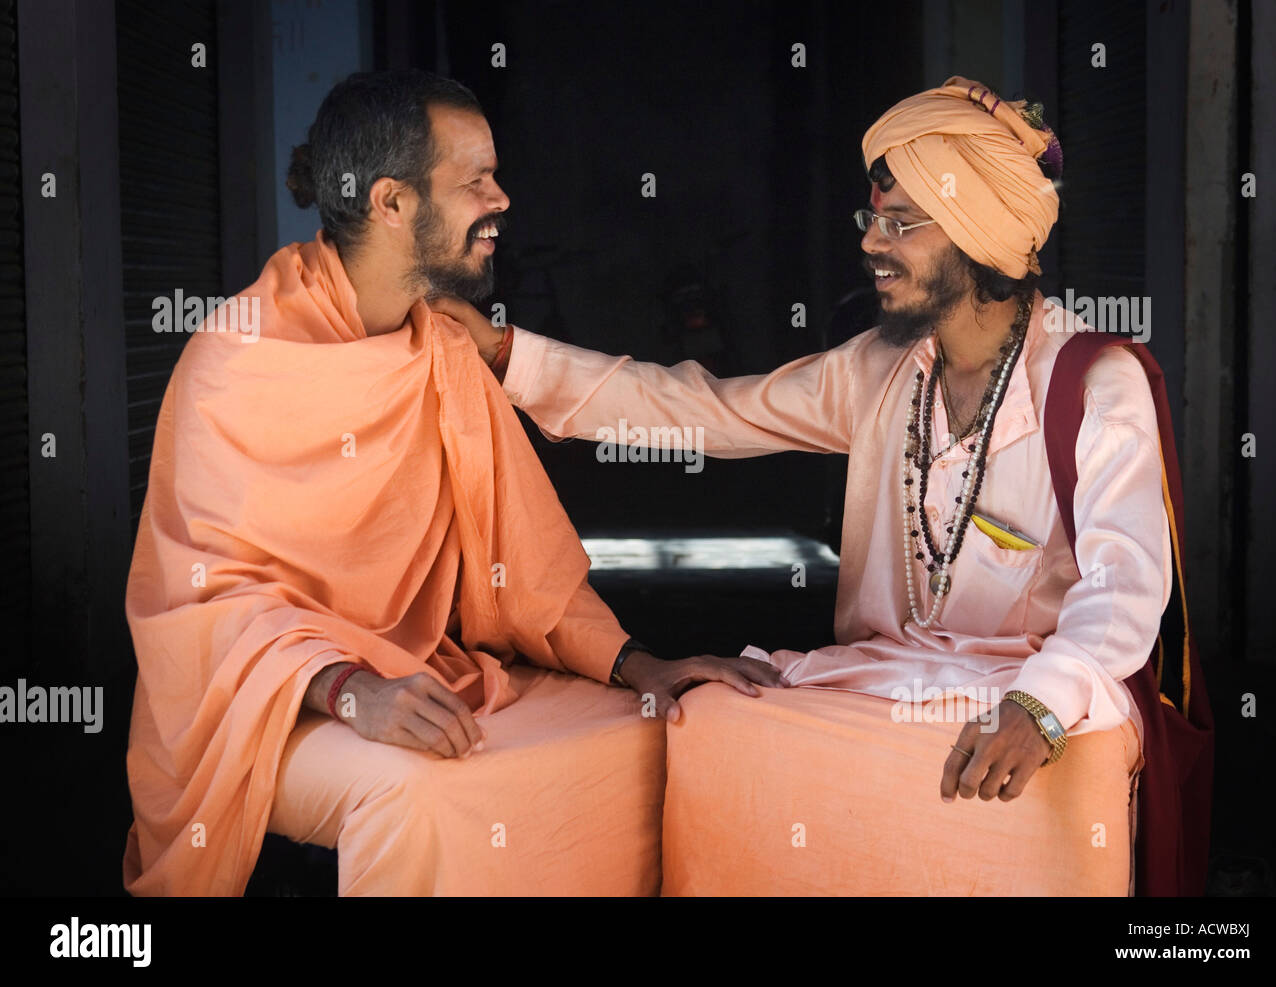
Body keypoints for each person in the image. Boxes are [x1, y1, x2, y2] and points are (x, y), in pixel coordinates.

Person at [435, 77, 1179, 895]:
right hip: (884, 678)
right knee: (706, 719)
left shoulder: (1092, 385)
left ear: (979, 237)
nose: (871, 244)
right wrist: (510, 355)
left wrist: (1041, 706)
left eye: (901, 224)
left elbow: (1125, 583)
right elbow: (704, 412)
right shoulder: (879, 371)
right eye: (872, 220)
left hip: (1033, 685)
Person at [121, 69, 781, 897]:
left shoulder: (441, 345)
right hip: (271, 703)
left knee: (656, 731)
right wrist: (351, 688)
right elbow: (204, 605)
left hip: (424, 671)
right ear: (391, 202)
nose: (501, 199)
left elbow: (527, 567)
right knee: (422, 791)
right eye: (476, 181)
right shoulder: (235, 359)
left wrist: (632, 663)